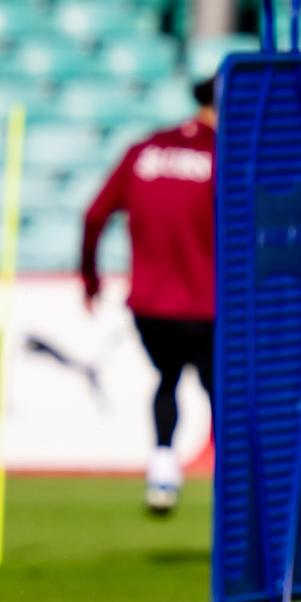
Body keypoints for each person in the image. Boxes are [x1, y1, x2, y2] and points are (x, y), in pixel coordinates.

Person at [81, 78, 218, 515]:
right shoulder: (229, 153)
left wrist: (90, 278)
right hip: (210, 304)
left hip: (149, 303)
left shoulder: (145, 149)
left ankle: (162, 471)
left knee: (168, 378)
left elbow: (95, 214)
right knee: (225, 393)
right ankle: (238, 485)